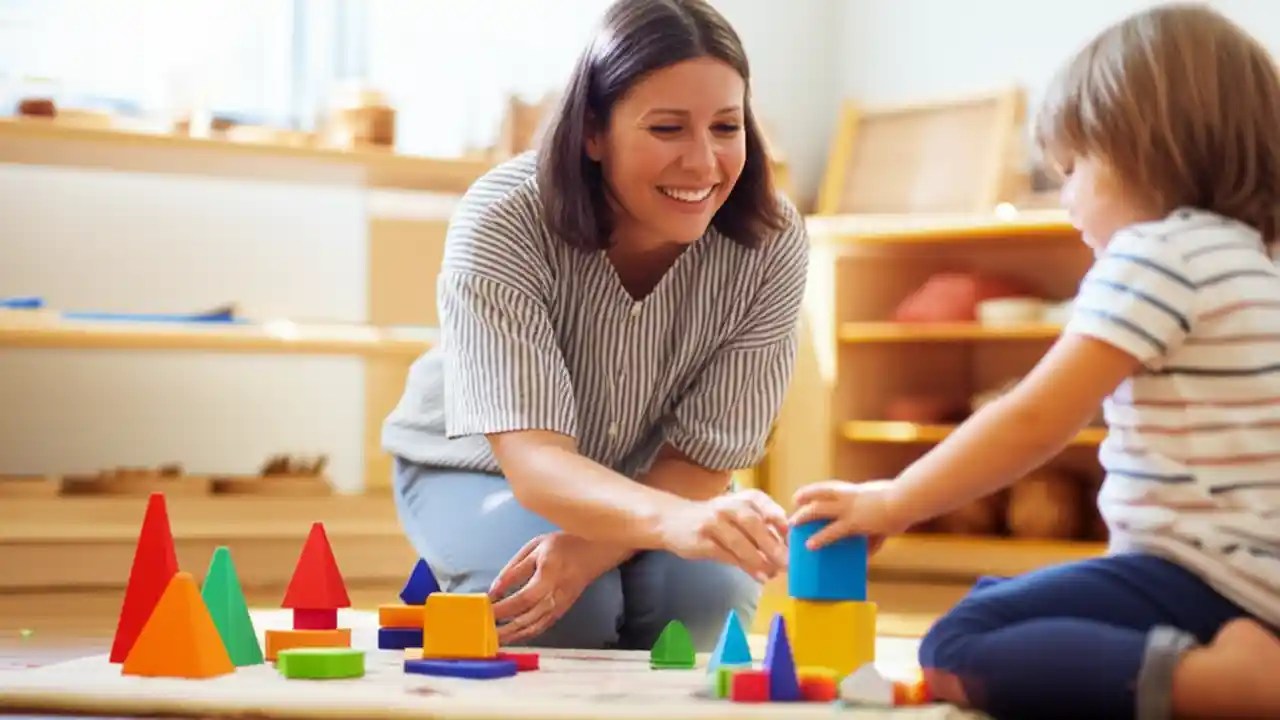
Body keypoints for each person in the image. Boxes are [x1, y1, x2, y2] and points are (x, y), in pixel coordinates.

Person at [789, 5, 1280, 720]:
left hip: (1200, 579)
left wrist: (892, 501)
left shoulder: (1153, 255)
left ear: (1144, 147)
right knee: (999, 598)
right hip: (1256, 582)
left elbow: (1036, 418)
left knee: (960, 639)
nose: (1067, 197)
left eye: (1073, 169)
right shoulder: (1255, 263)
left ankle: (1223, 686)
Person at [382, 0, 806, 653]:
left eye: (726, 127)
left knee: (700, 603)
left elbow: (702, 458)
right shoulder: (503, 219)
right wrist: (660, 528)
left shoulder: (771, 243)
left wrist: (592, 551)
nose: (704, 162)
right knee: (558, 613)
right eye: (667, 128)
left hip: (658, 481)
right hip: (475, 466)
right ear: (592, 132)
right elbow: (535, 461)